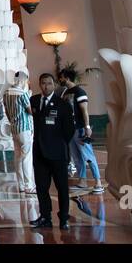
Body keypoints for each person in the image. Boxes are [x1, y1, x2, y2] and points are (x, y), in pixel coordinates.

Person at [30, 72, 75, 229]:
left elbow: (69, 131)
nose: (46, 86)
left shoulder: (62, 105)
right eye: (43, 83)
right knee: (42, 188)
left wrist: (58, 143)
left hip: (57, 154)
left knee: (62, 188)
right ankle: (45, 217)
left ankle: (63, 218)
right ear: (39, 84)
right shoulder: (34, 101)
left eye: (49, 83)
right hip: (39, 154)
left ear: (54, 84)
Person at [59, 67, 104, 193]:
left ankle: (98, 182)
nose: (60, 79)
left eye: (61, 77)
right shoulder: (66, 92)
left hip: (80, 129)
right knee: (77, 157)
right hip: (70, 130)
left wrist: (87, 127)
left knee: (88, 155)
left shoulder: (79, 92)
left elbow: (84, 111)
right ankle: (82, 181)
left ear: (67, 78)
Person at [3, 69, 35, 194]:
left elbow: (6, 110)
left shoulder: (7, 93)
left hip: (14, 128)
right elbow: (30, 110)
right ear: (23, 80)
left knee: (17, 157)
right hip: (24, 128)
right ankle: (29, 185)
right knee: (27, 157)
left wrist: (12, 120)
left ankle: (21, 185)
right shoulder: (22, 93)